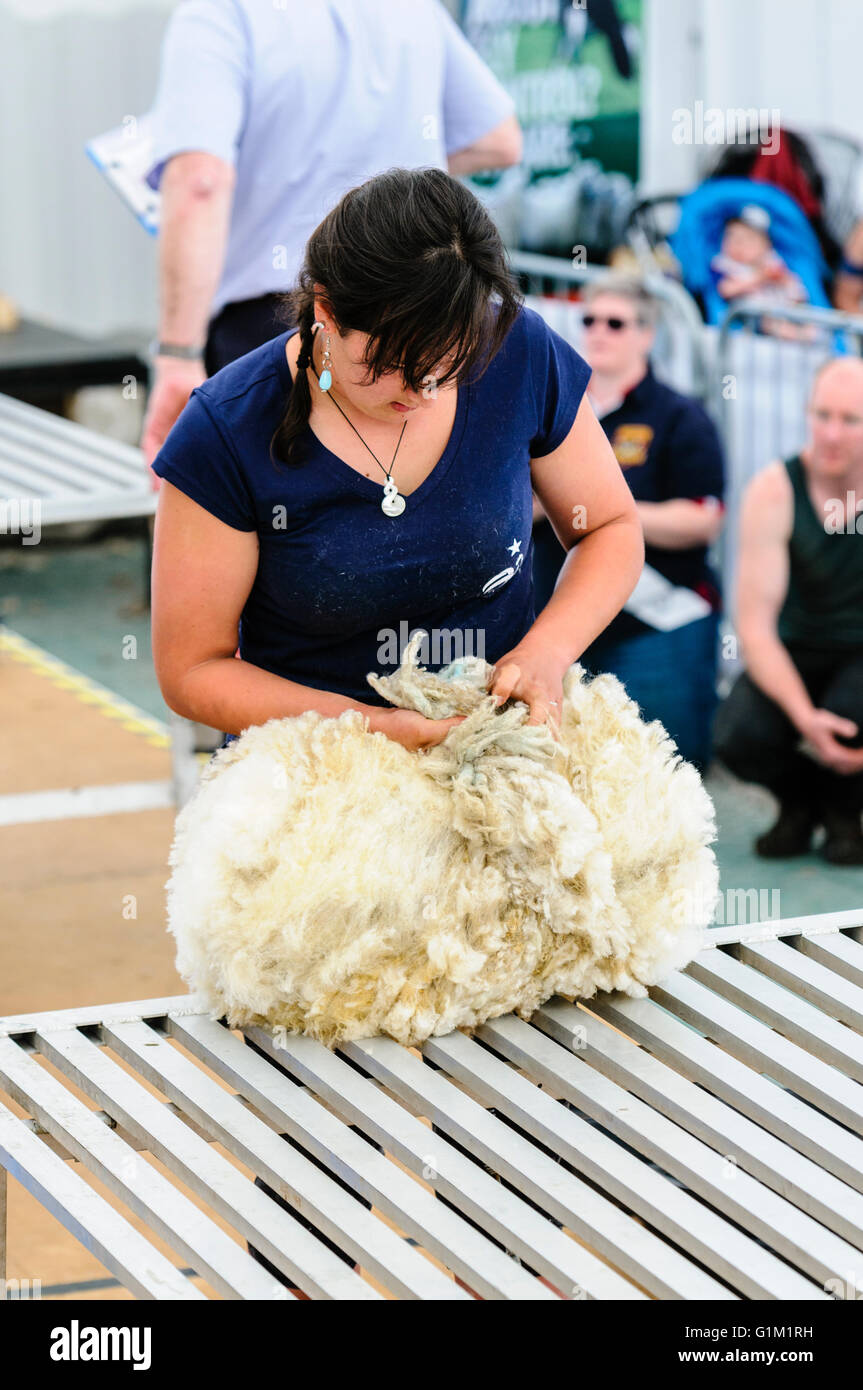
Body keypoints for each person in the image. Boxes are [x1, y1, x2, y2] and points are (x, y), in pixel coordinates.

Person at [149, 167, 644, 1289]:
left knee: (534, 1096)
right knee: (320, 1125)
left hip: (491, 757)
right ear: (323, 309)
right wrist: (372, 727)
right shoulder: (227, 435)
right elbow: (191, 668)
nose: (420, 396)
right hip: (321, 804)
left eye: (445, 370)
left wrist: (545, 651)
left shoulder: (518, 356)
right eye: (387, 369)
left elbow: (605, 526)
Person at [140, 0, 521, 466]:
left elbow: (200, 182)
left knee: (263, 527)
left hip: (272, 330)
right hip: (425, 319)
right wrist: (384, 187)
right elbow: (499, 139)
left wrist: (178, 354)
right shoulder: (412, 10)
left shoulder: (221, 14)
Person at [532, 274, 725, 773]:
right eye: (590, 320)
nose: (599, 331)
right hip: (562, 615)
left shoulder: (681, 417)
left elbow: (704, 517)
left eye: (616, 323)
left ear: (647, 334)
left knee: (658, 773)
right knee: (558, 768)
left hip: (655, 618)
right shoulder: (557, 409)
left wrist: (604, 513)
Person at [713, 358, 863, 866]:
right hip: (793, 651)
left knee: (852, 711)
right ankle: (801, 804)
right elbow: (753, 628)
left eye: (850, 419)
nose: (831, 433)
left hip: (859, 659)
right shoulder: (774, 490)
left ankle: (845, 812)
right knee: (736, 734)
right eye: (822, 415)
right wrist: (805, 719)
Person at [712, 204, 812, 339]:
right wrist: (760, 277)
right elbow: (725, 289)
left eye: (747, 241)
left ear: (765, 246)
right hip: (753, 318)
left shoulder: (773, 263)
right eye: (731, 238)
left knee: (808, 318)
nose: (737, 246)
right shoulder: (725, 265)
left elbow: (798, 293)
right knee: (768, 321)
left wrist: (783, 280)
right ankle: (793, 335)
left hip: (782, 308)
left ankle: (805, 334)